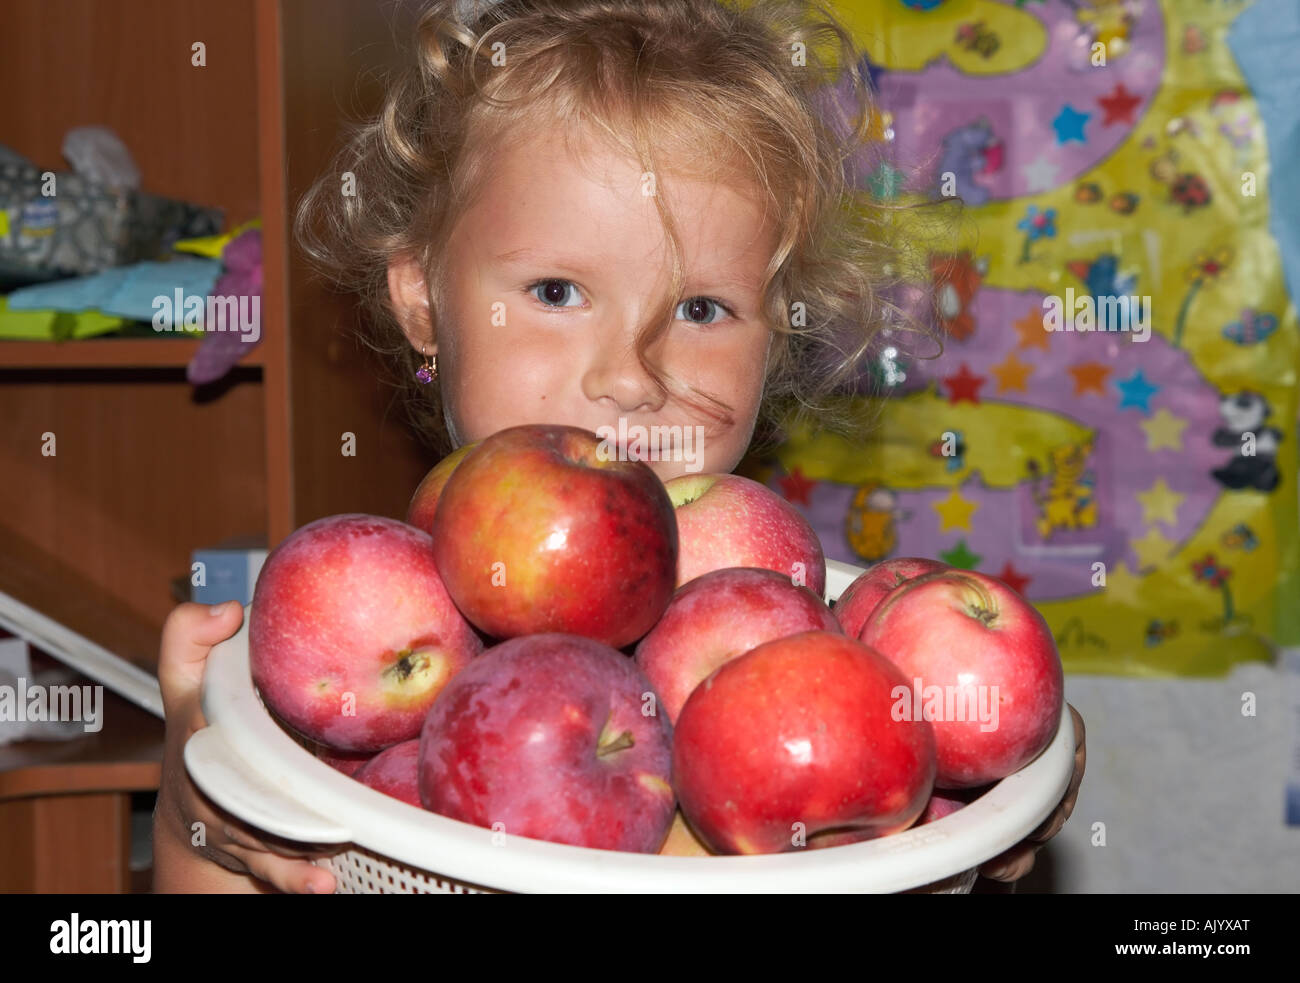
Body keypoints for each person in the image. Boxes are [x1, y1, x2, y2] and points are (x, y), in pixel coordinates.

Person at [153, 0, 1086, 893]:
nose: (631, 375)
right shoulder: (336, 658)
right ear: (424, 304)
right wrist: (203, 814)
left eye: (700, 309)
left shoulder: (808, 636)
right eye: (556, 291)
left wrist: (992, 767)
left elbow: (948, 753)